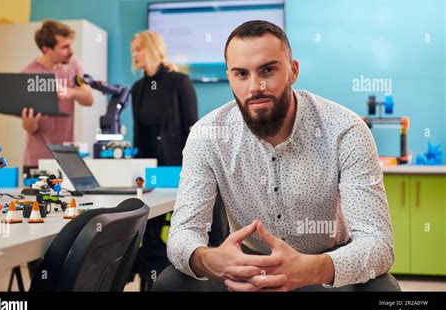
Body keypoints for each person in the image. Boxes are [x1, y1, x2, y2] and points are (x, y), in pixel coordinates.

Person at [166, 20, 394, 292]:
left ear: (293, 71)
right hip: (247, 264)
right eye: (241, 74)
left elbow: (378, 243)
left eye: (268, 70)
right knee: (171, 283)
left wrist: (311, 269)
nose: (255, 87)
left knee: (384, 291)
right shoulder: (207, 134)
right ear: (229, 77)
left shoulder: (345, 130)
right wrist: (209, 259)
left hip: (325, 262)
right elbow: (183, 232)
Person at [129, 30, 198, 290]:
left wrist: (190, 170)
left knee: (173, 222)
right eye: (132, 50)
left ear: (152, 49)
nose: (134, 54)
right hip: (152, 172)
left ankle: (170, 272)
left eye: (138, 48)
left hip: (179, 169)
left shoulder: (179, 82)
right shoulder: (137, 89)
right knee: (147, 222)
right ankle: (151, 272)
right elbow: (139, 134)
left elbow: (193, 128)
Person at [21, 20, 93, 175]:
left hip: (67, 158)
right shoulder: (28, 74)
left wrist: (71, 92)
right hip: (37, 161)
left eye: (70, 45)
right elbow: (29, 127)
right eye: (65, 47)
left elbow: (88, 99)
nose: (71, 51)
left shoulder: (73, 65)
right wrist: (30, 123)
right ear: (47, 49)